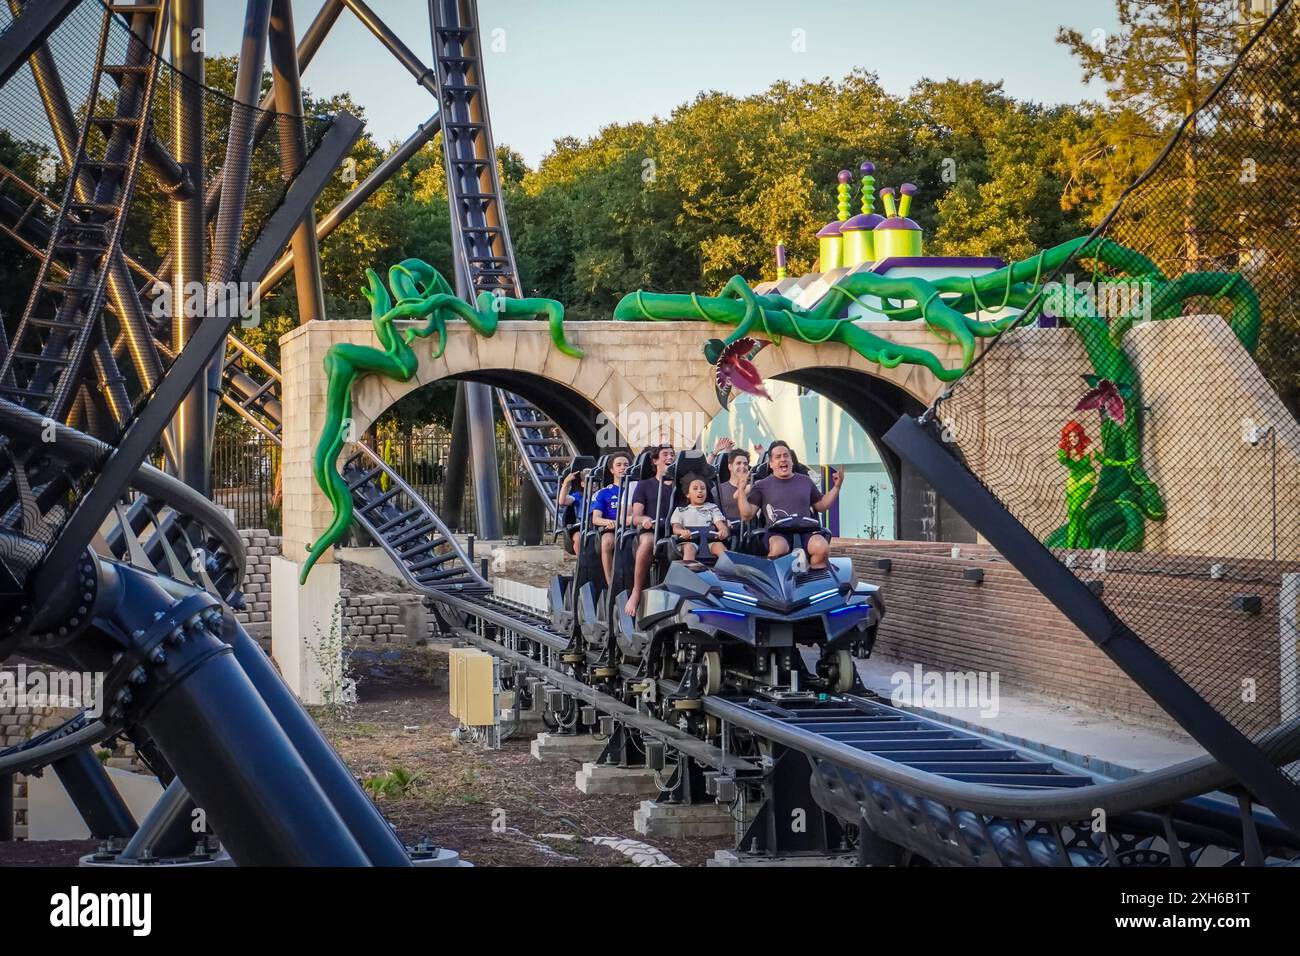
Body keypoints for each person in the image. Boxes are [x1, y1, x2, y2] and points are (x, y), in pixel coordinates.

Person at [736, 441, 843, 568]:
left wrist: (836, 487)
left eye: (786, 456)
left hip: (806, 530)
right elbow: (747, 515)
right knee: (779, 548)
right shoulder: (762, 485)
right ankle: (775, 582)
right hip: (775, 533)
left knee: (822, 547)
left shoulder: (805, 481)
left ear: (792, 461)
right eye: (778, 457)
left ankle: (814, 582)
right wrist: (741, 491)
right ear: (771, 463)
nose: (783, 459)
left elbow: (821, 506)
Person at [624, 443, 676, 616]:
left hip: (676, 530)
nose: (670, 457)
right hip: (653, 530)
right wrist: (645, 520)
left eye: (672, 454)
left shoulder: (681, 486)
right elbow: (636, 515)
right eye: (665, 454)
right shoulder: (644, 485)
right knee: (647, 542)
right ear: (655, 461)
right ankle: (636, 591)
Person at [588, 452, 630, 585]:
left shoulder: (636, 490)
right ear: (612, 470)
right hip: (612, 529)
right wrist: (610, 523)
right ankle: (611, 583)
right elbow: (596, 519)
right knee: (607, 541)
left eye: (626, 465)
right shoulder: (603, 493)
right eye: (619, 465)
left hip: (632, 527)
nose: (623, 468)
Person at [670, 477, 729, 561]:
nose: (700, 491)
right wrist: (682, 531)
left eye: (703, 488)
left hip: (709, 542)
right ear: (688, 494)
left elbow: (720, 524)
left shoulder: (712, 508)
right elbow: (676, 527)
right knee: (689, 549)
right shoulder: (681, 510)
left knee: (720, 546)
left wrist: (723, 531)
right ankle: (688, 572)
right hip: (690, 541)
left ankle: (729, 571)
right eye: (695, 489)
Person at [557, 467, 586, 554]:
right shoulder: (579, 496)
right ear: (583, 484)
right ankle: (581, 563)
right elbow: (562, 501)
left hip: (597, 524)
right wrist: (566, 483)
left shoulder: (601, 494)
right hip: (583, 525)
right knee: (578, 538)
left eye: (595, 482)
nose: (593, 485)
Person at [716, 448, 751, 522]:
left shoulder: (754, 487)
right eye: (738, 463)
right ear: (730, 467)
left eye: (745, 464)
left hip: (750, 530)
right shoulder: (718, 490)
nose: (742, 466)